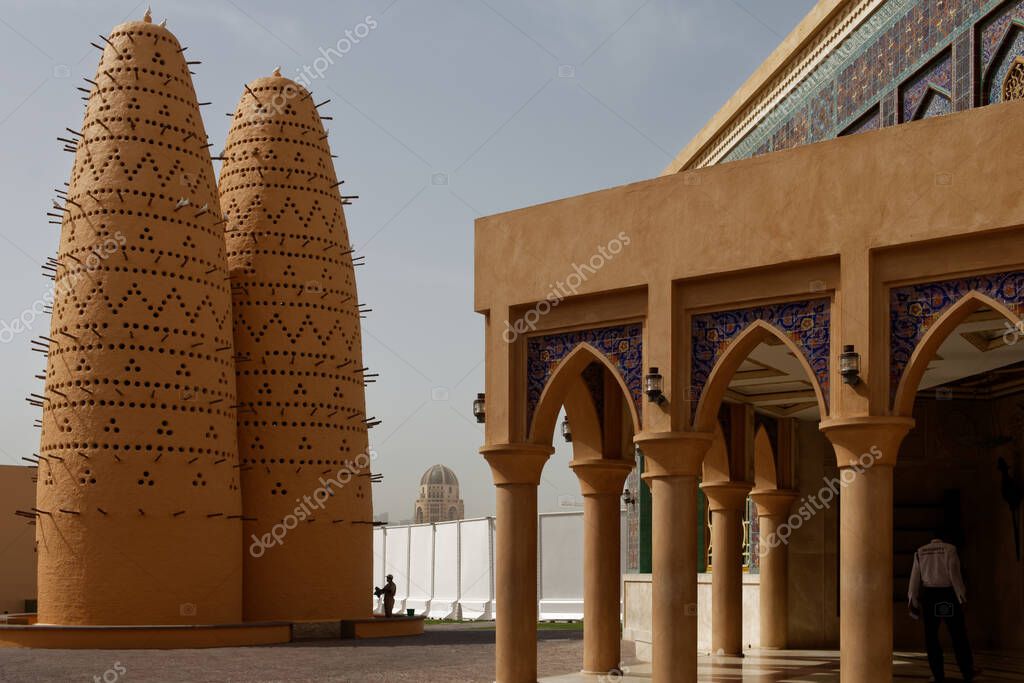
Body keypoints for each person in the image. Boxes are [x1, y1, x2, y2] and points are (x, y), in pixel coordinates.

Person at [908, 529, 976, 682]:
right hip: (947, 596)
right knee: (958, 634)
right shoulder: (950, 549)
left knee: (931, 637)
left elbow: (914, 578)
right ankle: (967, 671)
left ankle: (938, 674)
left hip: (930, 598)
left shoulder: (920, 551)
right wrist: (962, 597)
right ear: (946, 537)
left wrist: (913, 600)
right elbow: (955, 575)